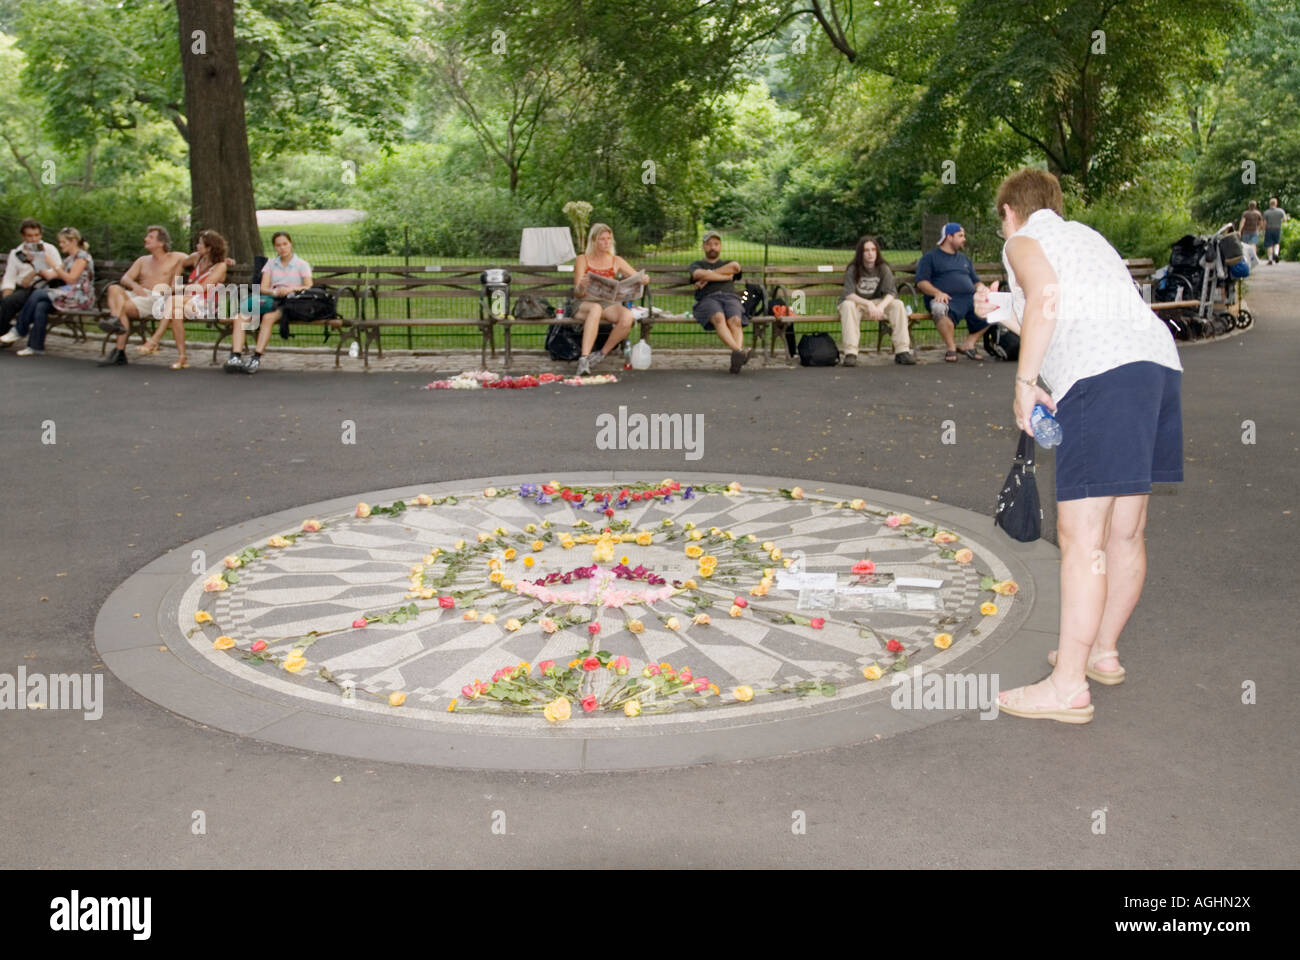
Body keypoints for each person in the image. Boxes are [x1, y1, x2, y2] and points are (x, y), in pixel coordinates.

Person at [975, 168, 1183, 724]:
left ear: (1009, 213)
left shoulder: (1022, 240)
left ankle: (1066, 687)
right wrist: (998, 311)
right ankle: (1099, 651)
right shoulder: (1087, 238)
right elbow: (1051, 310)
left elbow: (1046, 296)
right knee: (1126, 529)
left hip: (1101, 376)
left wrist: (1025, 383)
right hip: (1154, 365)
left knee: (1081, 535)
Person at [138, 229, 229, 370]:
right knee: (175, 314)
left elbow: (203, 287)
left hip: (207, 304)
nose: (197, 246)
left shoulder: (220, 266)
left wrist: (180, 288)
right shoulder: (196, 258)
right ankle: (182, 358)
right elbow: (181, 263)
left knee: (172, 301)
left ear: (209, 248)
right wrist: (176, 281)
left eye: (200, 244)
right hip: (189, 300)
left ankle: (155, 340)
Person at [224, 231, 311, 374]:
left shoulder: (301, 264)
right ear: (275, 247)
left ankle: (256, 357)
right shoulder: (270, 264)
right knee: (241, 316)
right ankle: (236, 356)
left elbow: (308, 286)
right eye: (278, 245)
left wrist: (290, 289)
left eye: (285, 244)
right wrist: (274, 292)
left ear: (291, 244)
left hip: (290, 303)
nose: (282, 248)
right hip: (271, 299)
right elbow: (263, 288)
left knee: (268, 318)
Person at [100, 226, 187, 367]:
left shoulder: (176, 257)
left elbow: (199, 257)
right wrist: (136, 286)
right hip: (137, 294)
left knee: (121, 307)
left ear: (161, 243)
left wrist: (223, 259)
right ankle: (116, 322)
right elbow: (125, 278)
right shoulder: (143, 260)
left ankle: (119, 350)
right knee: (113, 288)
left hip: (155, 298)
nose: (145, 239)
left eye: (150, 237)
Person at [0, 227, 94, 356]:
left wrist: (53, 264)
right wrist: (34, 262)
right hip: (68, 293)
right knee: (41, 306)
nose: (60, 245)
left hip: (80, 296)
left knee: (38, 293)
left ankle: (19, 330)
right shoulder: (68, 259)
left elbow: (72, 280)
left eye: (63, 242)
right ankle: (35, 346)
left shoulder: (82, 256)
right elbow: (49, 276)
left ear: (73, 241)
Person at [572, 223, 646, 376]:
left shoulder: (616, 260)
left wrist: (644, 279)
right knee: (595, 309)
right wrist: (581, 285)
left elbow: (636, 276)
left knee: (627, 316)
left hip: (607, 302)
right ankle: (584, 359)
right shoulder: (582, 259)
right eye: (602, 239)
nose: (607, 242)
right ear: (593, 241)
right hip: (583, 303)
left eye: (609, 239)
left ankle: (601, 354)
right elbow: (577, 293)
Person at [837, 234, 915, 366]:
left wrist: (880, 307)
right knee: (848, 305)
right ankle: (851, 353)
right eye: (866, 250)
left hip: (877, 304)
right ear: (860, 253)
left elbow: (891, 293)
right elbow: (849, 294)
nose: (870, 254)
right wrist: (868, 304)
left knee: (898, 304)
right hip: (857, 304)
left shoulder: (883, 268)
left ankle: (902, 351)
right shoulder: (853, 268)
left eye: (873, 250)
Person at [914, 222, 987, 362]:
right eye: (960, 235)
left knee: (996, 307)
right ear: (949, 237)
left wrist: (982, 288)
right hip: (946, 299)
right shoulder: (930, 258)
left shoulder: (964, 259)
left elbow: (975, 281)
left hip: (969, 299)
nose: (964, 239)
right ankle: (951, 347)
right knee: (939, 308)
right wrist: (937, 293)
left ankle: (969, 344)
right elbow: (921, 282)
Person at [689, 231, 750, 373]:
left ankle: (737, 356)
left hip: (730, 297)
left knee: (735, 320)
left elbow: (735, 267)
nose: (713, 247)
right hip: (708, 299)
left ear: (720, 246)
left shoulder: (727, 262)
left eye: (716, 244)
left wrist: (708, 277)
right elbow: (697, 274)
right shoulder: (697, 264)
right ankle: (739, 352)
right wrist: (724, 277)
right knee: (719, 318)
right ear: (704, 247)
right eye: (709, 244)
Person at [1, 219, 63, 343]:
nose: (34, 239)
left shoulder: (49, 250)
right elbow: (9, 277)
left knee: (10, 302)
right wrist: (6, 293)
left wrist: (34, 270)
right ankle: (5, 329)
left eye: (37, 235)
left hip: (37, 287)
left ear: (41, 235)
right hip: (19, 287)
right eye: (30, 236)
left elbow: (58, 271)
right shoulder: (16, 253)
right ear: (23, 236)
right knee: (7, 300)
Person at [1261, 197, 1288, 265]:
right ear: (1276, 203)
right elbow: (1285, 219)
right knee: (1276, 243)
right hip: (1277, 228)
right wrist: (1280, 221)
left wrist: (1263, 231)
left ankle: (1270, 259)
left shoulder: (1266, 212)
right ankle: (1276, 253)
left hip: (1269, 229)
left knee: (1269, 245)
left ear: (1270, 204)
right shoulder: (1281, 211)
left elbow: (1264, 223)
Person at [1238, 200, 1263, 270]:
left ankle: (1247, 259)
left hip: (1246, 232)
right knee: (1253, 245)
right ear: (1255, 206)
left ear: (1249, 206)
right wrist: (1259, 229)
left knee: (1245, 246)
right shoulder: (1258, 213)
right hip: (1254, 232)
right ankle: (1254, 259)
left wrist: (1240, 231)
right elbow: (1261, 223)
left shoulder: (1245, 213)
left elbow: (1242, 222)